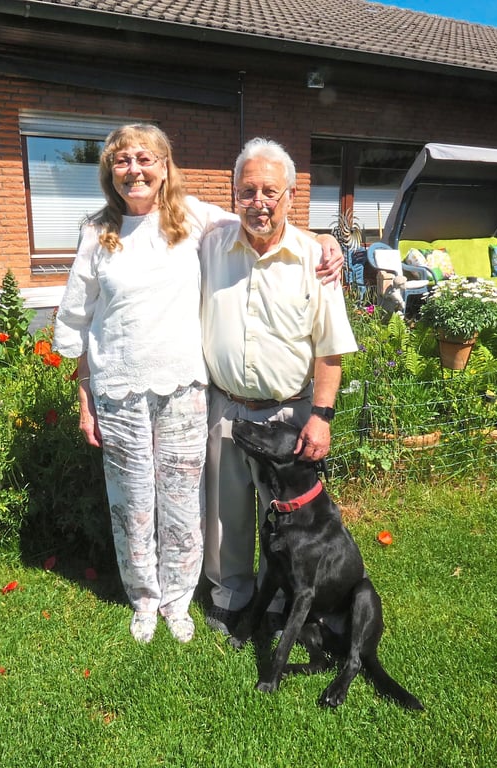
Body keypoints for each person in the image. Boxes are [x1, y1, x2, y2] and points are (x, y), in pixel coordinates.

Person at [53, 125, 342, 644]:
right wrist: (84, 396)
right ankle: (146, 598)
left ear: (166, 166)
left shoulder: (192, 219)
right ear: (109, 171)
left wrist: (324, 239)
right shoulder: (97, 231)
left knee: (186, 500)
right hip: (121, 388)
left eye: (146, 159)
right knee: (133, 499)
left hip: (185, 386)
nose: (135, 170)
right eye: (122, 161)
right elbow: (76, 317)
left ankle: (181, 598)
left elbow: (264, 222)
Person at [200, 137, 359, 636]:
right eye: (247, 192)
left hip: (289, 415)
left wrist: (322, 415)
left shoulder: (315, 258)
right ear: (233, 195)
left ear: (290, 195)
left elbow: (330, 347)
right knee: (225, 514)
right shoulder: (210, 245)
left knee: (287, 518)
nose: (258, 202)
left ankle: (275, 603)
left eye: (270, 191)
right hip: (225, 408)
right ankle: (229, 595)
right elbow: (166, 201)